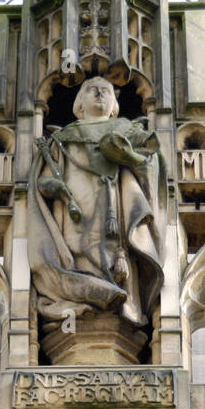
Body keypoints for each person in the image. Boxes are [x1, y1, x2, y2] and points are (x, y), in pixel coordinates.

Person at [28, 76, 167, 330]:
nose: (100, 94)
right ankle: (91, 295)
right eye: (92, 90)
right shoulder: (64, 138)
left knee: (115, 253)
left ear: (114, 104)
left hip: (116, 209)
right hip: (76, 212)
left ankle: (121, 301)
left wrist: (128, 156)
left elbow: (151, 165)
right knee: (79, 248)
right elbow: (45, 181)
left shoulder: (129, 131)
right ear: (79, 105)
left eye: (106, 91)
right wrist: (54, 187)